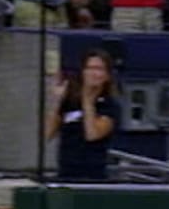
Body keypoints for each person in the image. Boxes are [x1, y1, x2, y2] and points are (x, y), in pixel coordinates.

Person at [44, 48, 118, 181]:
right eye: (89, 68)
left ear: (107, 75)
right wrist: (57, 101)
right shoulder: (71, 102)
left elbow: (92, 135)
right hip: (65, 173)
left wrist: (88, 101)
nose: (94, 73)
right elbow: (47, 134)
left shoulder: (109, 105)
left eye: (99, 69)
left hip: (93, 176)